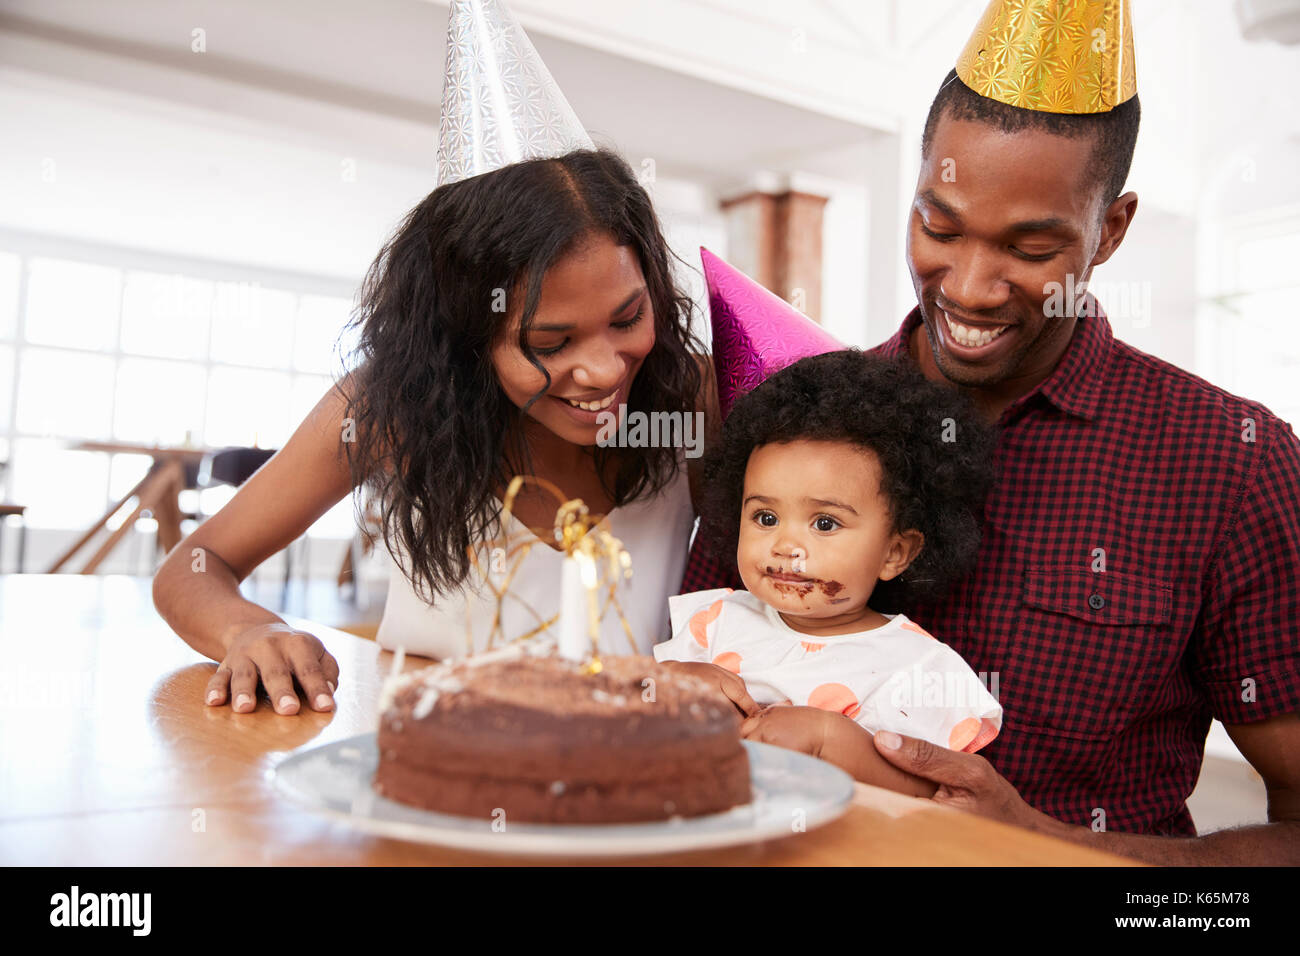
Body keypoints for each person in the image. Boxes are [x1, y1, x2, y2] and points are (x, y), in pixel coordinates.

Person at [682, 0, 1300, 863]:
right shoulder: (798, 425)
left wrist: (1041, 844)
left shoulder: (1230, 461)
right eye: (939, 227)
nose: (969, 288)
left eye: (1031, 248)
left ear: (1110, 230)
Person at [153, 0, 715, 716]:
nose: (605, 370)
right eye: (549, 344)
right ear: (465, 336)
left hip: (630, 756)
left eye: (628, 317)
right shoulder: (387, 410)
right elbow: (195, 566)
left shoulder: (691, 401)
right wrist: (250, 629)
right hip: (429, 750)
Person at [655, 352, 1001, 797]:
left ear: (895, 553)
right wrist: (673, 680)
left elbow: (928, 794)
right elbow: (629, 706)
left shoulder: (915, 668)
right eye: (765, 518)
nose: (786, 546)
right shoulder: (716, 622)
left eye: (824, 523)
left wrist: (830, 740)